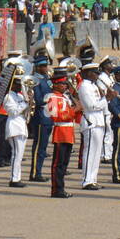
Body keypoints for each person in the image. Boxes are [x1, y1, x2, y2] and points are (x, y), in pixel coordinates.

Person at [45, 68, 78, 198]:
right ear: (56, 85)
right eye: (63, 84)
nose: (65, 86)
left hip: (68, 131)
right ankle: (56, 189)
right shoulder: (52, 97)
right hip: (61, 131)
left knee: (64, 163)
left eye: (65, 84)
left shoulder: (65, 97)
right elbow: (56, 116)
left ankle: (61, 188)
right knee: (58, 163)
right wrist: (74, 111)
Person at [77, 62, 107, 190]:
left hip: (98, 121)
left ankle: (93, 178)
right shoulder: (84, 86)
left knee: (96, 152)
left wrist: (104, 100)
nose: (97, 75)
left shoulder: (93, 86)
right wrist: (106, 100)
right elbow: (91, 106)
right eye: (95, 73)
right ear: (89, 73)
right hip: (90, 120)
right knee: (90, 152)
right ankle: (86, 180)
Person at [4, 74, 30, 187]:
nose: (20, 87)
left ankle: (17, 177)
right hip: (14, 126)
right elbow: (13, 112)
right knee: (16, 154)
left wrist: (29, 100)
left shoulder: (19, 96)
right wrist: (25, 103)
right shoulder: (8, 96)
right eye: (18, 85)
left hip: (21, 126)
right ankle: (14, 179)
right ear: (12, 84)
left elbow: (25, 110)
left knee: (19, 154)